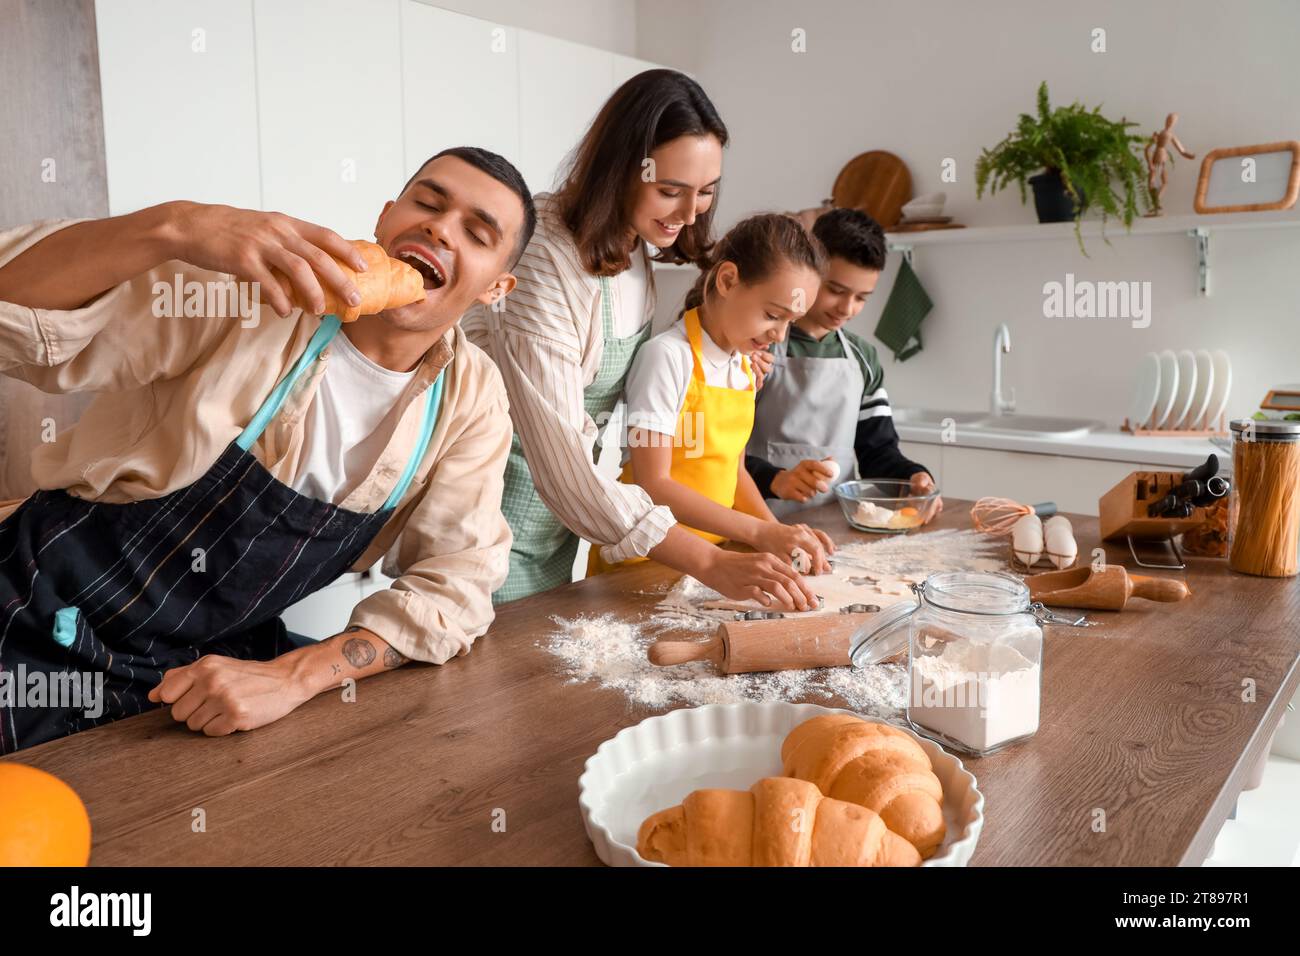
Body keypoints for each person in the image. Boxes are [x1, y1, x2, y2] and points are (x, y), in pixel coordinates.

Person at [0, 147, 533, 752]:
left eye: (477, 232)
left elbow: (455, 589)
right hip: (39, 616)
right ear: (385, 218)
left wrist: (292, 678)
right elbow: (16, 314)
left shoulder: (472, 396)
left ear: (496, 287)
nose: (440, 227)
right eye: (428, 204)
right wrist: (171, 227)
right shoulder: (255, 295)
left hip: (212, 662)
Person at [464, 70, 816, 611]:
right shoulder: (545, 255)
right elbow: (559, 460)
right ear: (619, 169)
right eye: (670, 191)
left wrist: (724, 366)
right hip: (485, 519)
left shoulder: (634, 251)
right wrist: (712, 560)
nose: (689, 212)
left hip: (564, 523)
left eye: (705, 193)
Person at [592, 213, 834, 574]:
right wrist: (759, 531)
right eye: (772, 314)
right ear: (727, 280)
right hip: (647, 559)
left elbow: (732, 474)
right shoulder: (667, 357)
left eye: (790, 323)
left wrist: (779, 533)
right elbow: (654, 485)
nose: (780, 336)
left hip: (715, 559)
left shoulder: (743, 367)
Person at [744, 208, 939, 516]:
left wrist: (912, 475)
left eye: (862, 298)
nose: (846, 309)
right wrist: (775, 478)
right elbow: (724, 451)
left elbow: (877, 451)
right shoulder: (756, 345)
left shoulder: (863, 357)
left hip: (835, 523)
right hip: (757, 520)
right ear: (810, 269)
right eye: (835, 290)